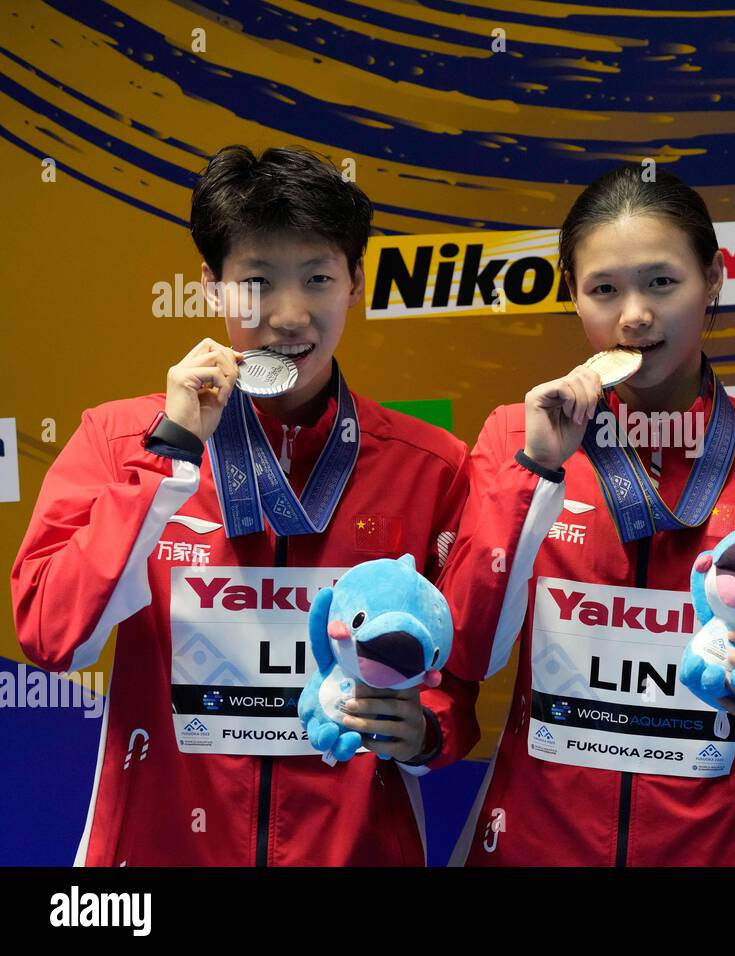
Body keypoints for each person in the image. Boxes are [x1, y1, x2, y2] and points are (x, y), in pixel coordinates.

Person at [11, 145, 479, 866]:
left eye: (317, 278)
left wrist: (426, 730)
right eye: (256, 282)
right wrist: (166, 459)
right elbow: (52, 635)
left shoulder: (432, 465)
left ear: (354, 281)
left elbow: (456, 680)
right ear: (211, 287)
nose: (289, 317)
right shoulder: (118, 439)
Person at [438, 165, 735, 866]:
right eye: (604, 289)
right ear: (574, 297)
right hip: (537, 843)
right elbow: (467, 645)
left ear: (715, 279)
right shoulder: (516, 438)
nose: (634, 314)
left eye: (662, 282)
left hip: (721, 844)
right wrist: (537, 471)